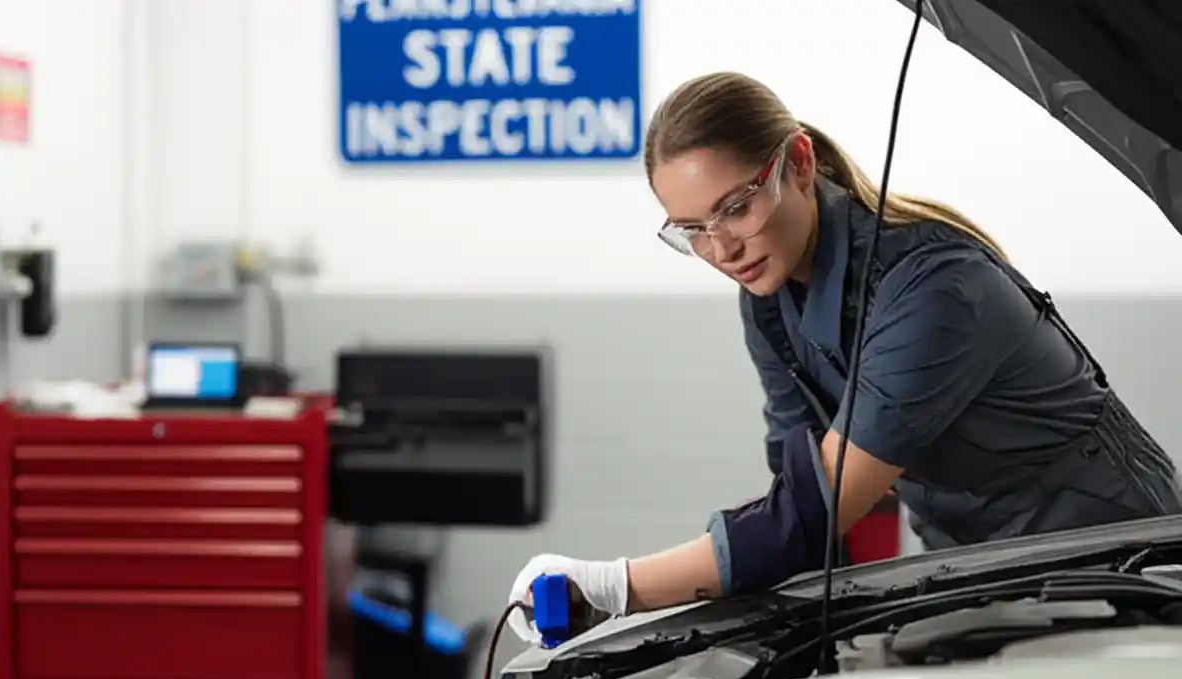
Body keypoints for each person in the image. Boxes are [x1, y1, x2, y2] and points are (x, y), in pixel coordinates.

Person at [506, 71, 1182, 645]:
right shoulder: (770, 301)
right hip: (978, 573)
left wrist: (617, 586)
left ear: (799, 164)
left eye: (735, 208)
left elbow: (809, 514)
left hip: (1116, 563)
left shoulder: (936, 289)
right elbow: (799, 491)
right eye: (692, 231)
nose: (722, 250)